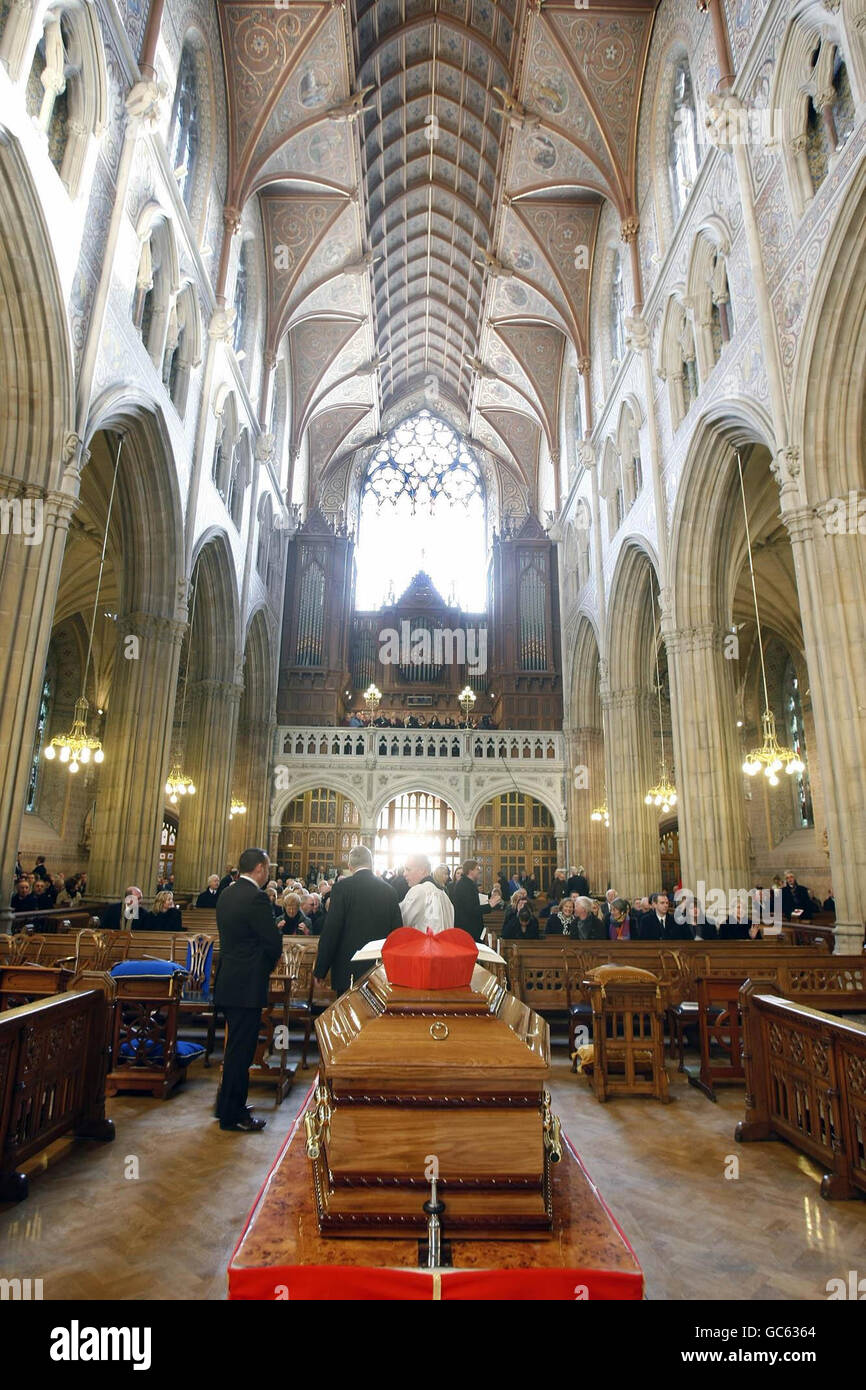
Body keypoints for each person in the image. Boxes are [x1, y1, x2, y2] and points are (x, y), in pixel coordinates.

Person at [214, 848, 282, 1132]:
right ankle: (234, 1115)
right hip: (246, 986)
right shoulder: (256, 898)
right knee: (241, 1052)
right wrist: (261, 970)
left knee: (233, 1049)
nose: (268, 873)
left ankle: (225, 1106)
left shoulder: (226, 894)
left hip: (228, 981)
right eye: (267, 868)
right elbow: (272, 942)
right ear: (259, 868)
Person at [314, 844, 402, 994]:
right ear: (371, 864)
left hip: (347, 971)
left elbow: (332, 930)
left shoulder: (342, 888)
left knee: (347, 1016)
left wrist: (321, 970)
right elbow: (397, 933)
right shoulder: (389, 891)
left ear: (350, 866)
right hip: (379, 972)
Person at [399, 853, 455, 934]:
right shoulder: (443, 894)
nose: (404, 874)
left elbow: (402, 921)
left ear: (422, 869)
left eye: (408, 869)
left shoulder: (419, 891)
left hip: (423, 945)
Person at [451, 859, 502, 942]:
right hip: (467, 930)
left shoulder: (468, 884)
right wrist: (489, 905)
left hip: (470, 929)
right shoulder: (465, 885)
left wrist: (488, 903)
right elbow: (471, 910)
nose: (479, 871)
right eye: (477, 869)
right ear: (471, 871)